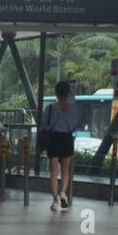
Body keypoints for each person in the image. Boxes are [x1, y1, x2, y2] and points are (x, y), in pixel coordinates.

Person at [41, 80, 78, 212]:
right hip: (67, 138)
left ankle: (55, 201)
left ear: (56, 93)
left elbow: (45, 125)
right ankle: (63, 192)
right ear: (68, 93)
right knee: (66, 169)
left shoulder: (50, 108)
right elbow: (74, 126)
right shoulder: (73, 108)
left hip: (54, 138)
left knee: (54, 171)